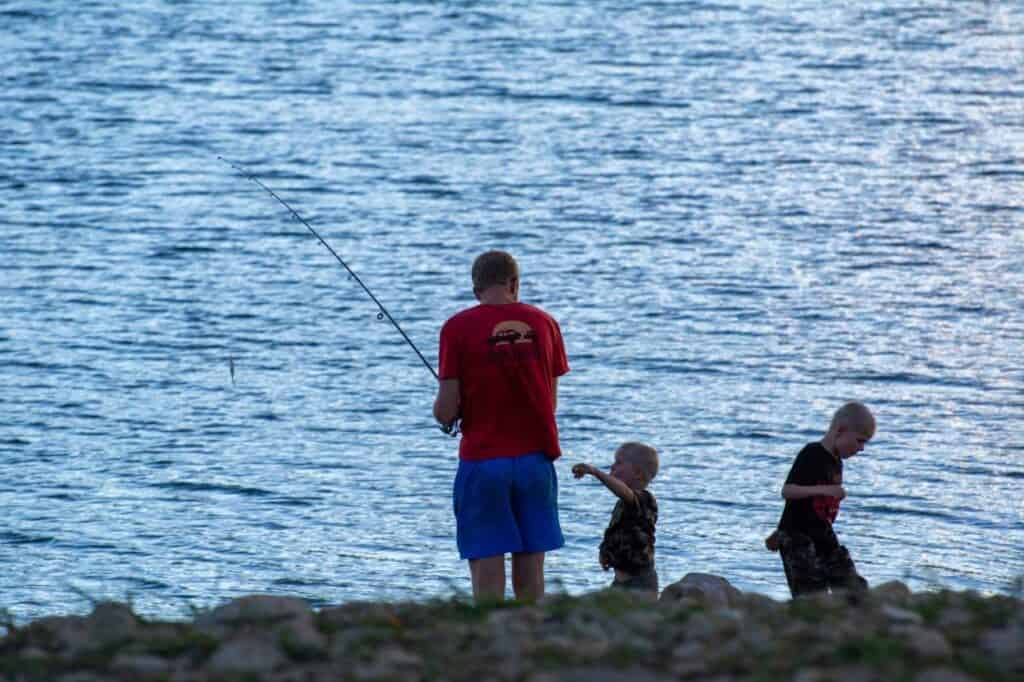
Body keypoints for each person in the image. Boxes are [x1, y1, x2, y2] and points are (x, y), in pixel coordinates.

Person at [433, 250, 569, 602]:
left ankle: (489, 625)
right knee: (531, 559)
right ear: (514, 283)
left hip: (484, 459)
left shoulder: (457, 328)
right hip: (536, 458)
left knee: (487, 553)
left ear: (475, 288)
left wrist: (449, 415)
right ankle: (530, 626)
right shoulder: (545, 324)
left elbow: (446, 410)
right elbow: (550, 403)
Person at [766, 401, 875, 597]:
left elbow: (806, 507)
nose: (861, 449)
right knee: (812, 593)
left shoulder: (836, 462)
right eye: (860, 441)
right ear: (840, 430)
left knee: (852, 586)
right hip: (798, 538)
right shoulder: (812, 453)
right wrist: (826, 490)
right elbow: (788, 491)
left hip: (823, 534)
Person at [572, 442, 660, 594]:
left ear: (637, 473)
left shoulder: (644, 499)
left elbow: (624, 492)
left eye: (618, 463)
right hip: (620, 579)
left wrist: (596, 472)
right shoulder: (624, 503)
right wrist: (606, 553)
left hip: (641, 581)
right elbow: (616, 530)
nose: (612, 467)